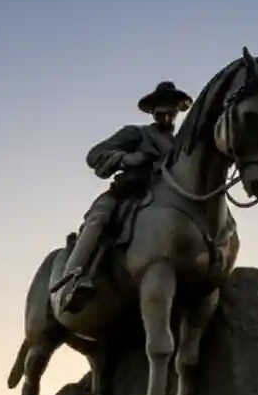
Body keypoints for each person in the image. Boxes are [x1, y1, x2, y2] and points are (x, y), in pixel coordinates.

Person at [51, 81, 193, 312]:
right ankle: (73, 280)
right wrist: (126, 159)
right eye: (162, 110)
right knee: (98, 221)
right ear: (154, 111)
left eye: (172, 110)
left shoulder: (181, 146)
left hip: (167, 199)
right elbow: (95, 155)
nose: (168, 115)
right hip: (126, 194)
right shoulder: (136, 133)